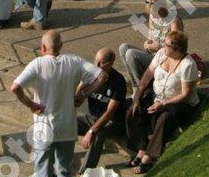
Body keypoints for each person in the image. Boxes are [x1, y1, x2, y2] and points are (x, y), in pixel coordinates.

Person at [10, 29, 105, 177]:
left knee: (42, 172)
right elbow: (102, 76)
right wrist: (83, 95)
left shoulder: (37, 64)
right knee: (64, 171)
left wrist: (31, 105)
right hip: (67, 128)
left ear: (42, 47)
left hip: (44, 129)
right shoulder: (74, 61)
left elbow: (15, 87)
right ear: (61, 45)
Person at [126, 30, 200, 174]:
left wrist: (163, 104)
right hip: (158, 97)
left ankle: (149, 157)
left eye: (167, 45)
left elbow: (185, 94)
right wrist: (137, 98)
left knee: (164, 118)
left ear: (177, 49)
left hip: (179, 104)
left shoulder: (188, 65)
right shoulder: (161, 54)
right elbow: (147, 76)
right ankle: (141, 148)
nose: (163, 47)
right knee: (132, 110)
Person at [76, 47, 127, 174]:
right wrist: (82, 86)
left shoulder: (118, 82)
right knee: (66, 123)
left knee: (98, 134)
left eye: (101, 63)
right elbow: (77, 100)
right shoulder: (92, 75)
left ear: (110, 63)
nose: (96, 65)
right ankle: (58, 161)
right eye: (95, 60)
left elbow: (110, 113)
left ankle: (85, 171)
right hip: (91, 117)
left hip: (113, 122)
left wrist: (91, 131)